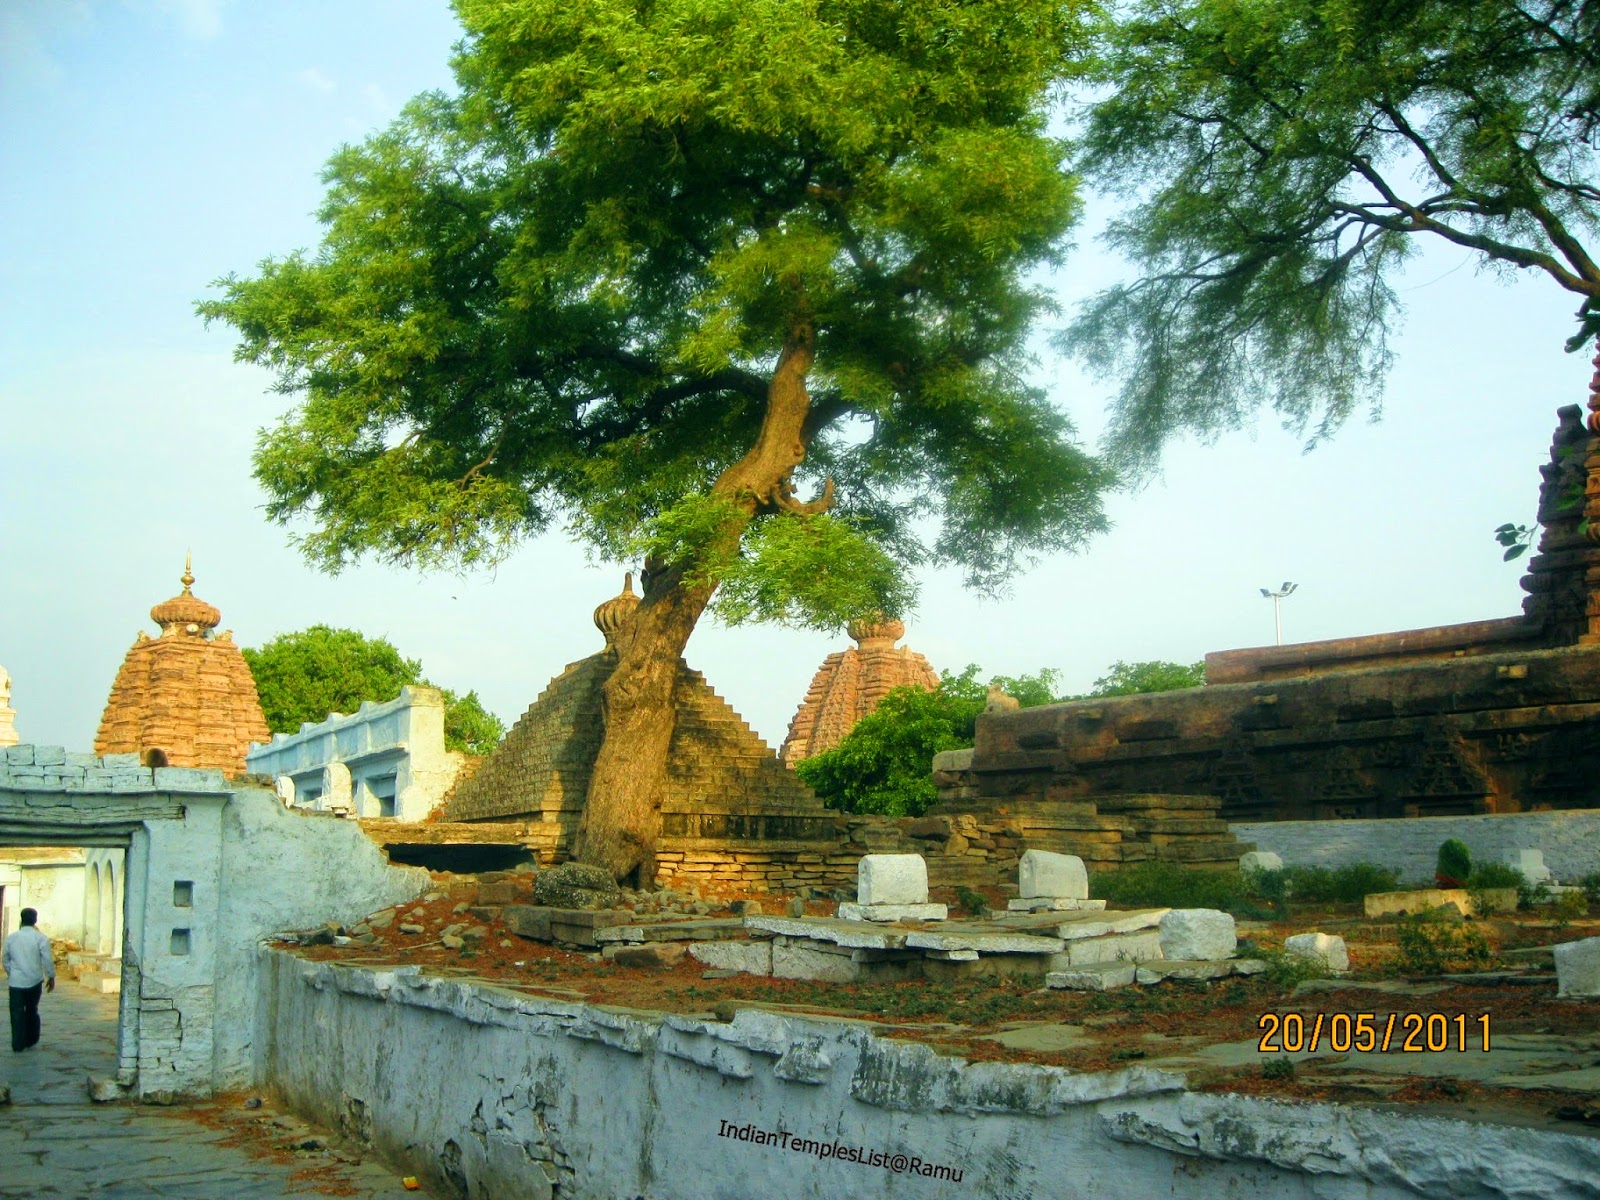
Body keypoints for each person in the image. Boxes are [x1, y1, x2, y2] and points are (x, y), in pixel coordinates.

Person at [4, 907, 56, 1052]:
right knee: (32, 1010)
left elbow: (5, 959)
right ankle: (31, 1039)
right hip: (34, 980)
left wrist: (12, 972)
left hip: (16, 982)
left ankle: (17, 1043)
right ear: (35, 920)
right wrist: (51, 976)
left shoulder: (11, 938)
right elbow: (47, 960)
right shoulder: (41, 938)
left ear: (21, 919)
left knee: (16, 1012)